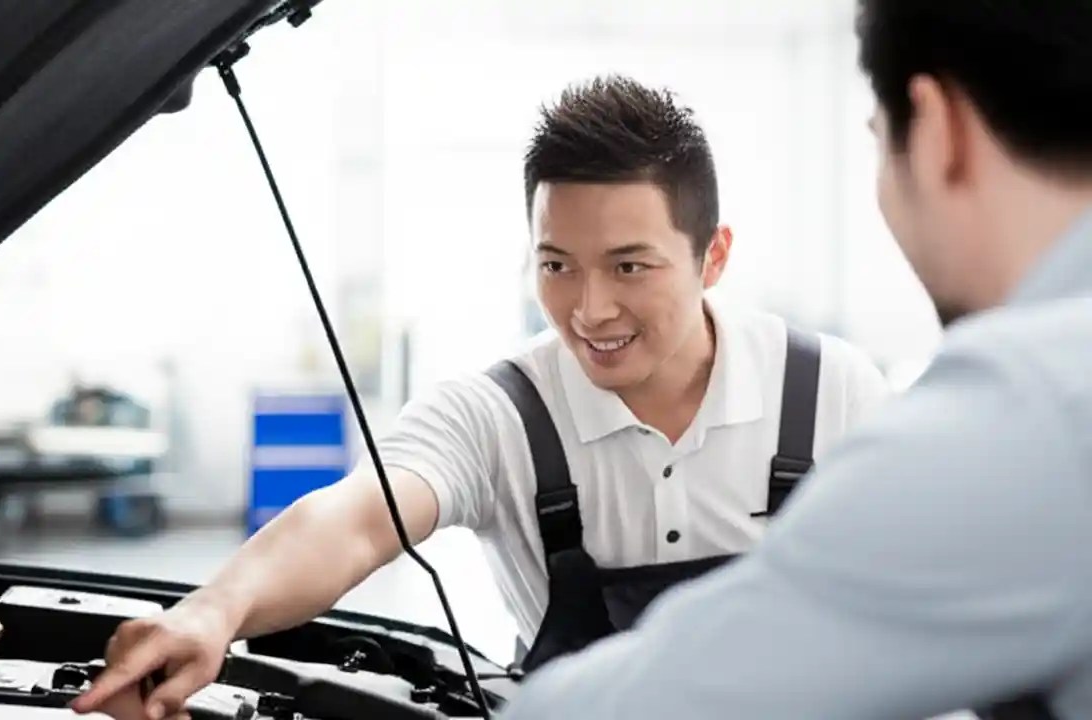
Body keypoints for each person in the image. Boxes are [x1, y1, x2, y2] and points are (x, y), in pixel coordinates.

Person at [71, 76, 890, 720]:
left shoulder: (830, 395)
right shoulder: (498, 415)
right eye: (556, 263)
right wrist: (214, 612)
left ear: (713, 256)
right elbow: (354, 520)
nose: (588, 308)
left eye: (629, 266)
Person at [498, 3, 1092, 720]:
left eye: (879, 142)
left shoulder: (1030, 413)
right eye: (558, 264)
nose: (593, 309)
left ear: (938, 131)